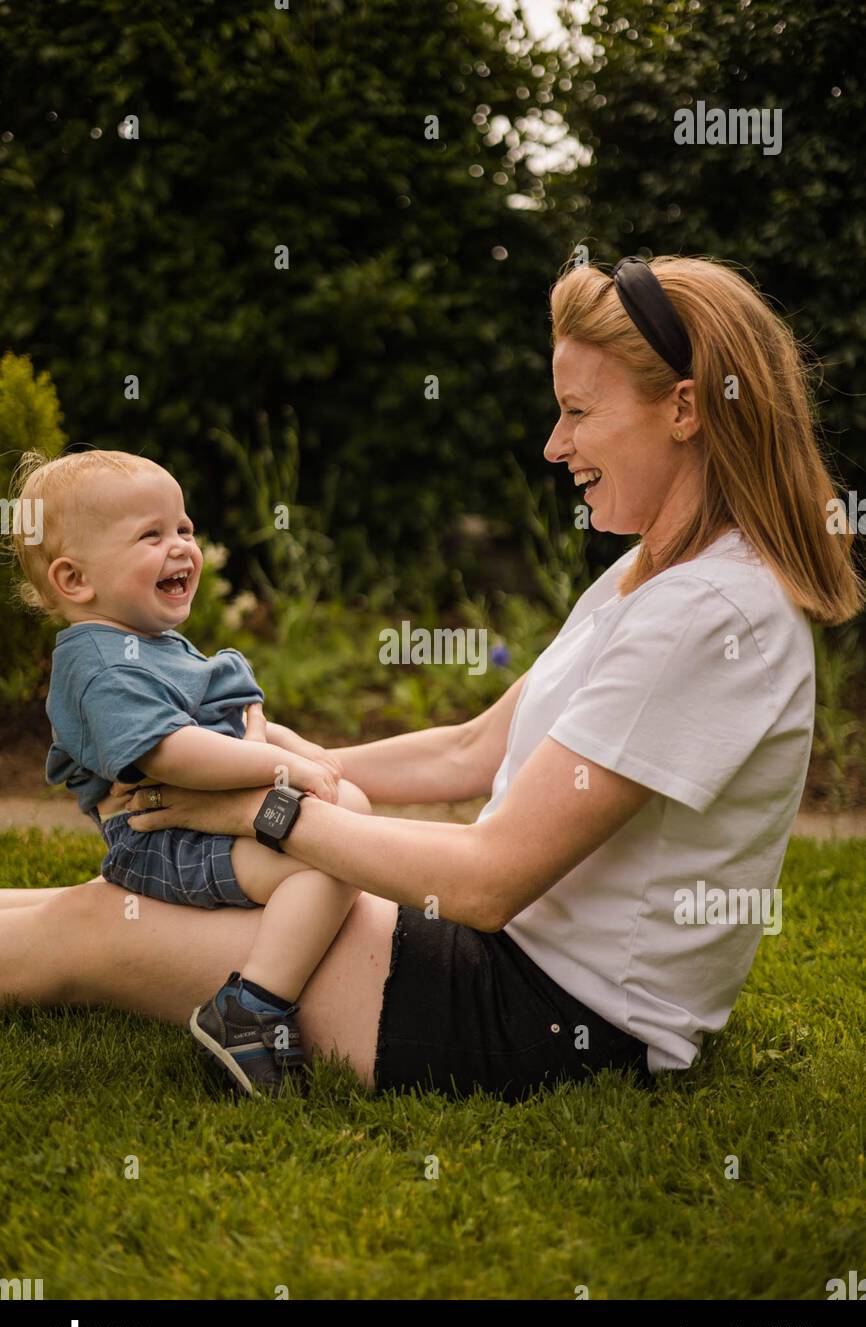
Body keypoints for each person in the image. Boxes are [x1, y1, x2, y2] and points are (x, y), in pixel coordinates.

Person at [1, 255, 861, 1104]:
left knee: (89, 934)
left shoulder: (707, 613)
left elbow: (488, 882)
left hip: (543, 1014)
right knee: (104, 903)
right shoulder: (657, 572)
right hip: (509, 960)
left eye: (576, 412)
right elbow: (470, 748)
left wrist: (258, 807)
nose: (555, 445)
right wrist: (285, 762)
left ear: (682, 408)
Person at [10, 448, 370, 1094]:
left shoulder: (147, 643)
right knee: (328, 861)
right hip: (158, 840)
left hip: (193, 823)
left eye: (184, 528)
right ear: (73, 580)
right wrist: (281, 761)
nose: (181, 546)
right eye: (152, 534)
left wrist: (291, 745)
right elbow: (173, 754)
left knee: (351, 821)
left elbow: (226, 718)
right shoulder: (101, 665)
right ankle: (253, 1007)